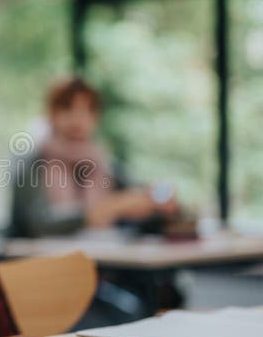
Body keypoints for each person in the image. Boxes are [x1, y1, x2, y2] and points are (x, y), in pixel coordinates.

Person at [10, 78, 177, 237]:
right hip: (40, 263)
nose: (78, 119)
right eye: (68, 108)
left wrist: (157, 197)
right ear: (51, 114)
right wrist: (101, 210)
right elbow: (37, 225)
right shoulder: (31, 161)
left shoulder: (102, 163)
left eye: (87, 110)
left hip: (101, 259)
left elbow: (137, 193)